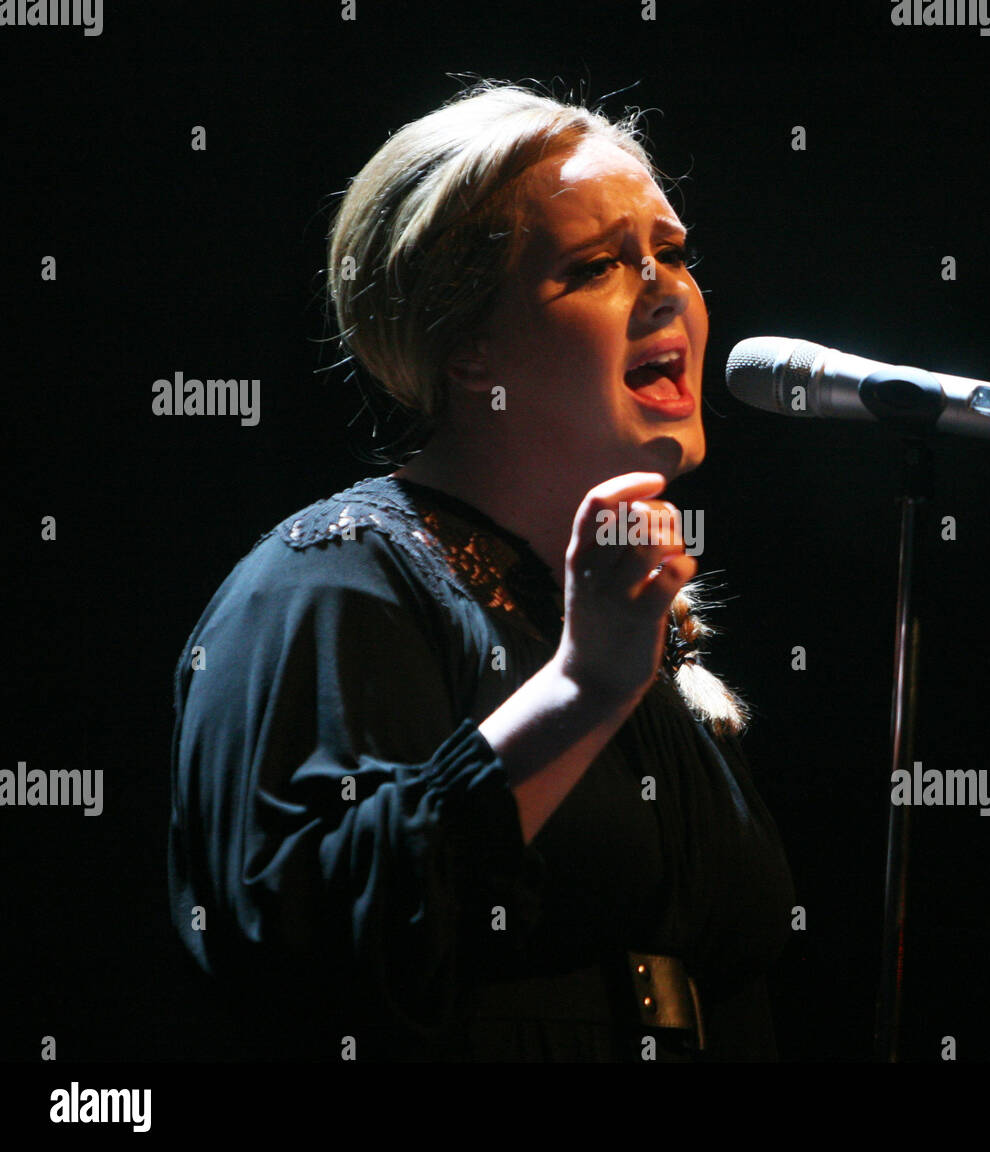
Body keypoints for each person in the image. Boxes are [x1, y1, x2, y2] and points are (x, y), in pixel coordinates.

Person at [167, 81, 794, 1062]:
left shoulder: (640, 624)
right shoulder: (333, 580)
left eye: (669, 252)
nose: (664, 284)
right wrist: (580, 688)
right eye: (596, 266)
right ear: (468, 349)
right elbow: (300, 941)